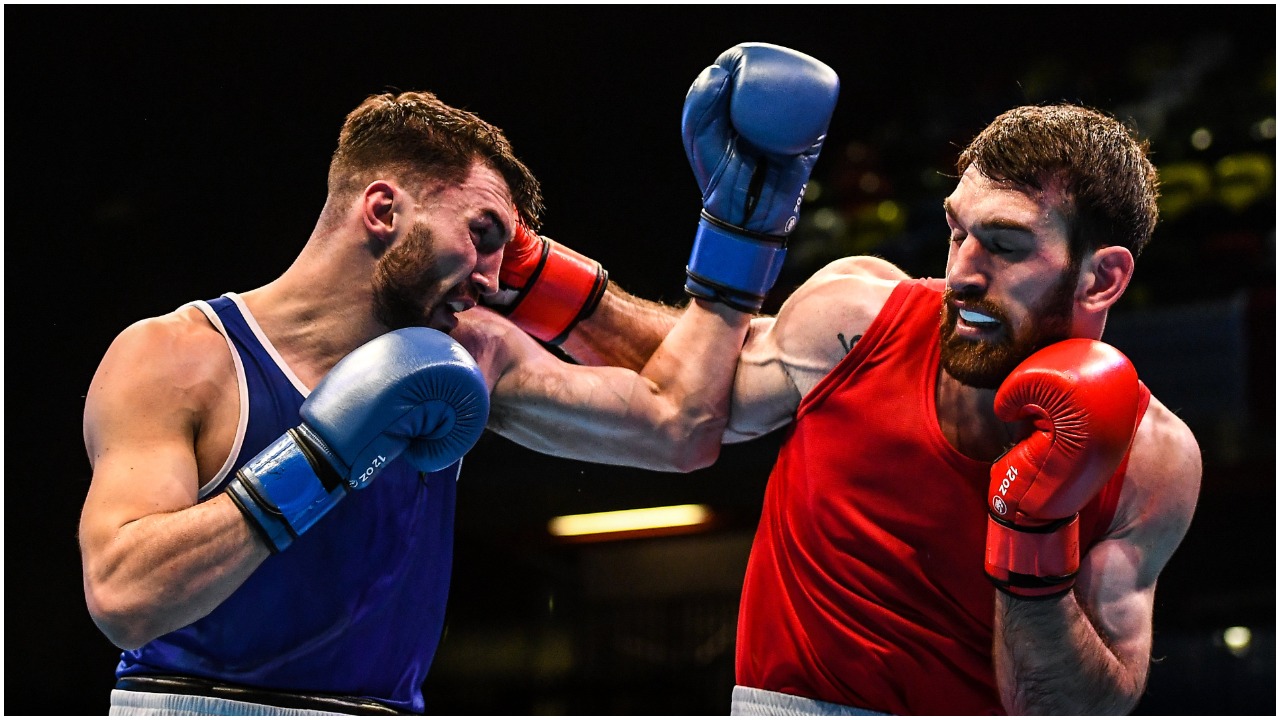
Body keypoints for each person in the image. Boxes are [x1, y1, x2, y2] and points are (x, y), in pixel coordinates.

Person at [78, 43, 840, 715]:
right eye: (481, 238)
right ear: (382, 208)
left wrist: (738, 233)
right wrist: (318, 459)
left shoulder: (468, 355)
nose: (492, 279)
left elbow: (681, 425)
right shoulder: (181, 358)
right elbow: (123, 598)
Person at [513, 103, 1202, 714]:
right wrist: (526, 274)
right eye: (957, 231)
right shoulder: (859, 317)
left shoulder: (1150, 457)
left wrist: (1033, 536)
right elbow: (690, 394)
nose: (962, 272)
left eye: (1004, 245)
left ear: (1102, 276)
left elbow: (1070, 709)